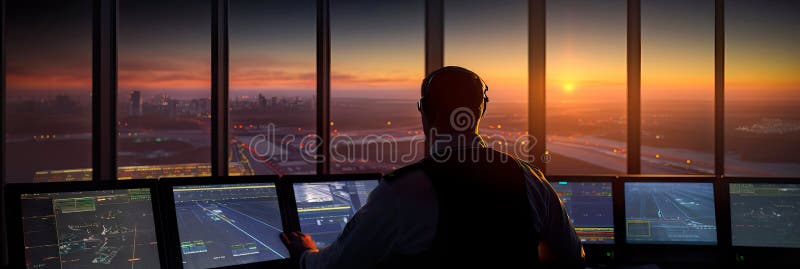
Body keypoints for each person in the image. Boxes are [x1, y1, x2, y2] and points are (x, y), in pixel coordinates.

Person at [281, 66, 585, 268]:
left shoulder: (402, 191)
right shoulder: (529, 178)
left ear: (424, 110)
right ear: (482, 110)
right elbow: (573, 257)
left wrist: (305, 254)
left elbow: (339, 263)